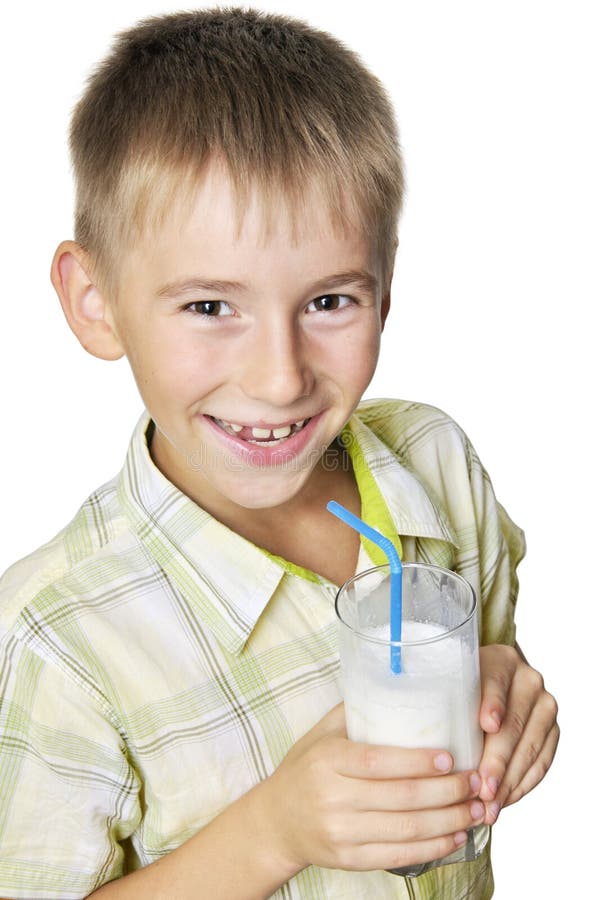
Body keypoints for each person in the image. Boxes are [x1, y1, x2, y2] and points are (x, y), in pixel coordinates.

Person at [0, 8, 558, 899]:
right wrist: (273, 832)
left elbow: (494, 674)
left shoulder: (438, 466)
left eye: (330, 300)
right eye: (210, 308)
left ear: (386, 286)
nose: (279, 377)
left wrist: (506, 688)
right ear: (95, 301)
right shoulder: (60, 634)